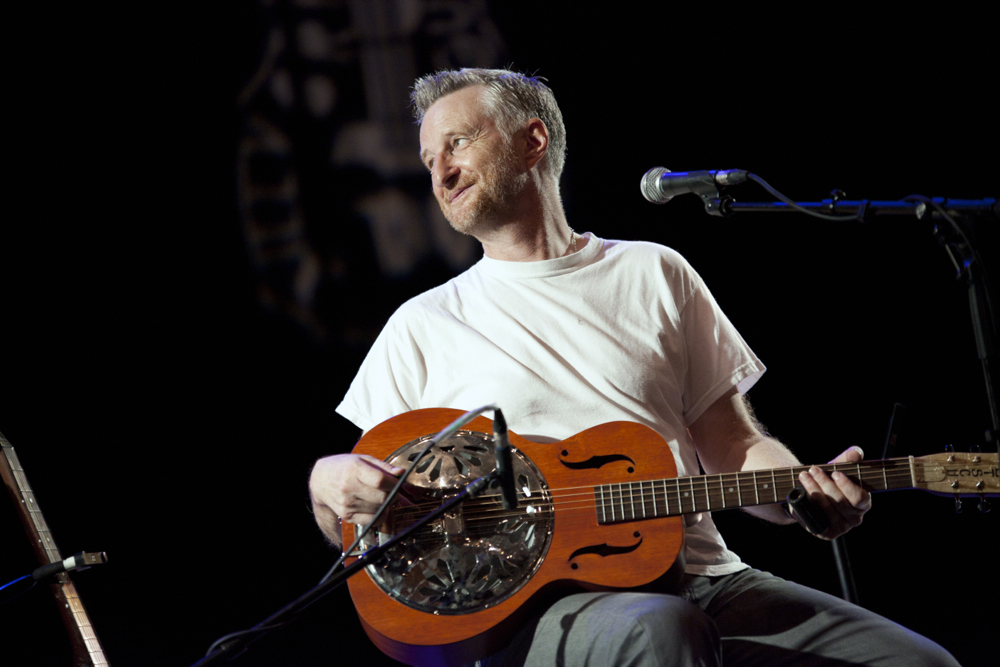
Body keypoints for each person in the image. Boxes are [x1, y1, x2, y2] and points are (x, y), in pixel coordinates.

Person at [309, 68, 958, 667]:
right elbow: (360, 507)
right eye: (429, 160)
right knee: (662, 629)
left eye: (457, 143)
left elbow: (733, 447)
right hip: (538, 610)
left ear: (533, 140)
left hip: (707, 578)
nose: (440, 173)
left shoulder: (654, 271)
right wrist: (325, 480)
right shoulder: (421, 325)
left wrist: (801, 495)